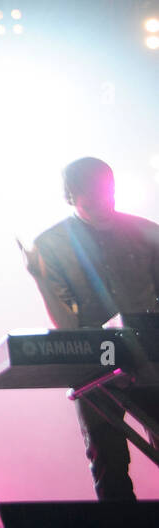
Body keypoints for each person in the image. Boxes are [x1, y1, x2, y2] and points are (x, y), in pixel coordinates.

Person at [23, 157, 159, 500]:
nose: (104, 205)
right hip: (94, 361)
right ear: (70, 196)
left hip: (152, 356)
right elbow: (67, 322)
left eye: (108, 194)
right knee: (108, 458)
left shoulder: (148, 233)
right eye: (91, 199)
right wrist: (40, 277)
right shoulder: (50, 246)